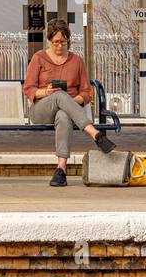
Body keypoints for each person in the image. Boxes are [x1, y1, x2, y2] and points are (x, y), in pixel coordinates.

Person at [23, 18, 115, 186]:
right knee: (59, 96)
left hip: (69, 111)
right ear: (49, 40)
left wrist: (71, 102)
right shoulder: (39, 58)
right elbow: (28, 89)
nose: (60, 46)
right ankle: (95, 134)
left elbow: (86, 93)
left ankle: (61, 170)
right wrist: (47, 92)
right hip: (41, 109)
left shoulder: (77, 61)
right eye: (56, 42)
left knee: (64, 114)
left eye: (64, 42)